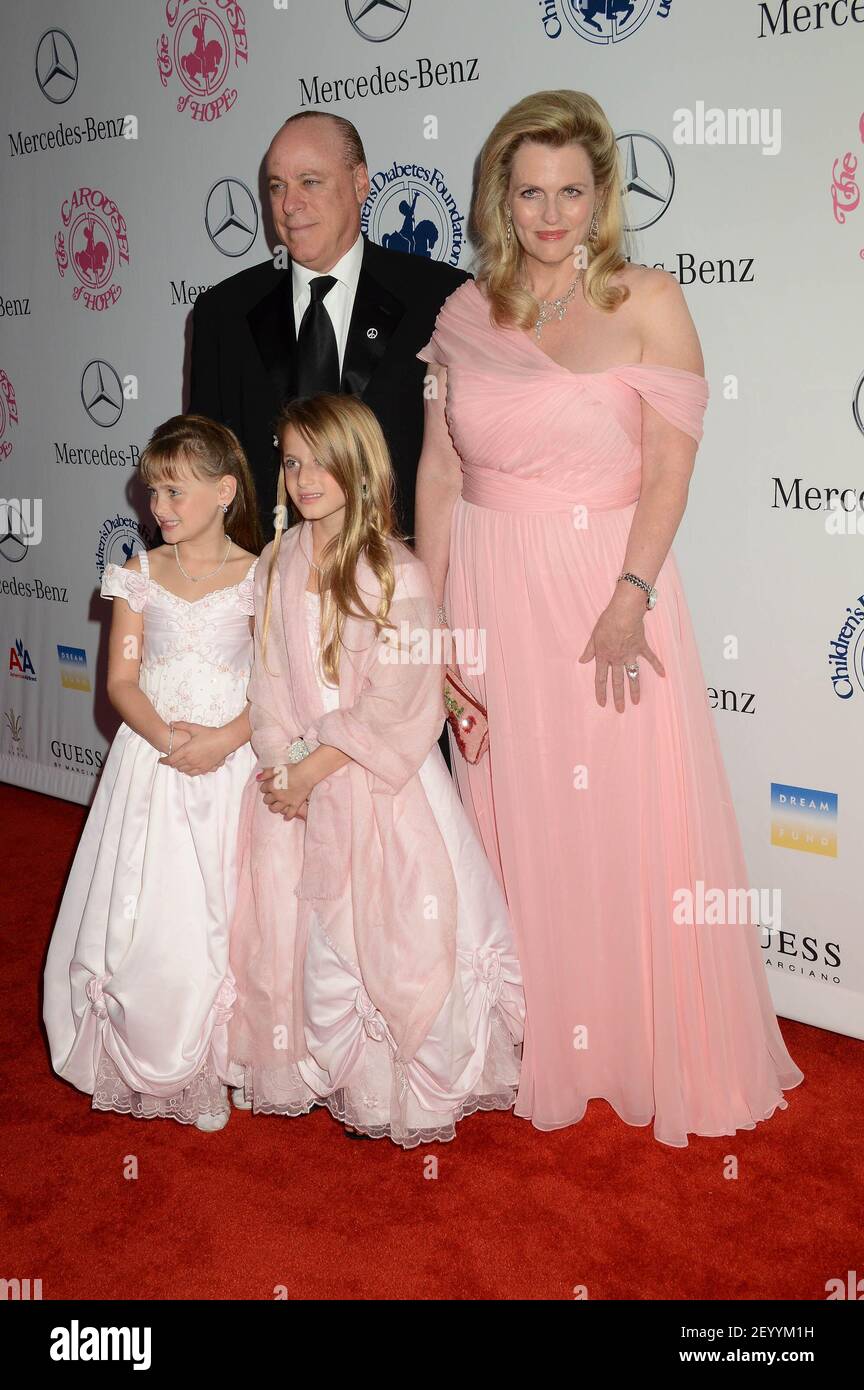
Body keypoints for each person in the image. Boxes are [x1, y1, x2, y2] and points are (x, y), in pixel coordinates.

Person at [414, 89, 804, 1147]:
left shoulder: (648, 299)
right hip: (491, 587)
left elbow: (672, 469)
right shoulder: (463, 312)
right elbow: (442, 473)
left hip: (606, 594)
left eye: (570, 192)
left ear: (601, 194)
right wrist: (440, 626)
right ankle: (533, 1032)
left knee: (624, 813)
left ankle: (638, 1037)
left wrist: (631, 596)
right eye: (530, 191)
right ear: (502, 195)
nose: (550, 214)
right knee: (514, 809)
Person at [228, 393, 524, 1146]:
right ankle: (334, 1074)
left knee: (393, 938)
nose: (303, 478)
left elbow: (402, 703)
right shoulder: (275, 564)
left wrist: (312, 767)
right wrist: (279, 765)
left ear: (360, 467)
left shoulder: (398, 573)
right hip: (297, 786)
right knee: (308, 939)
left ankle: (402, 1087)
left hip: (385, 789)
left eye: (321, 460)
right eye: (292, 461)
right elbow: (265, 683)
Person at [43, 416, 264, 1132]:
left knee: (236, 904)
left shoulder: (263, 577)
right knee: (160, 902)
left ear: (225, 490)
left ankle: (237, 1052)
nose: (158, 508)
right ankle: (170, 1048)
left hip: (236, 764)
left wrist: (227, 739)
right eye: (151, 493)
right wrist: (174, 742)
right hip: (155, 762)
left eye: (174, 491)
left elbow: (280, 685)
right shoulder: (137, 574)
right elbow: (121, 683)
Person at [188, 110, 470, 542]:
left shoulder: (441, 299)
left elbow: (461, 467)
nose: (289, 205)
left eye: (310, 182)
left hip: (400, 584)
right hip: (267, 587)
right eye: (277, 186)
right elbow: (203, 470)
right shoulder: (222, 312)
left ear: (360, 183)